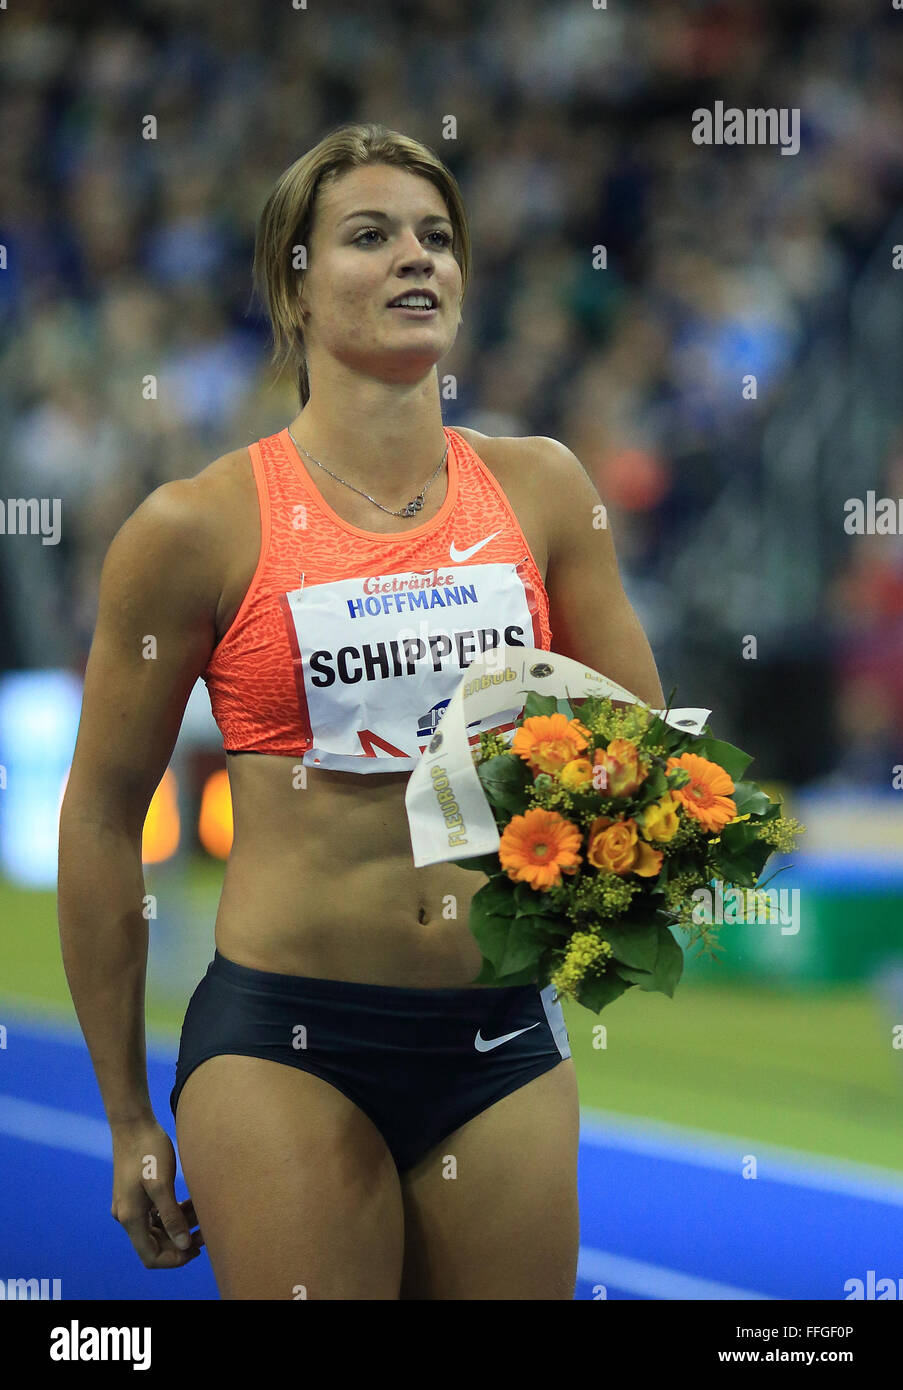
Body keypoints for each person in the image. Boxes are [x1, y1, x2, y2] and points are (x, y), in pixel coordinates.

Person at [58, 123, 665, 1300]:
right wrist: (127, 1114)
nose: (416, 258)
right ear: (294, 282)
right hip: (289, 1041)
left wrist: (608, 876)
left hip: (499, 1041)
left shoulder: (544, 488)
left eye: (437, 236)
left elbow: (644, 752)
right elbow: (97, 818)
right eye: (371, 235)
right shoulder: (196, 528)